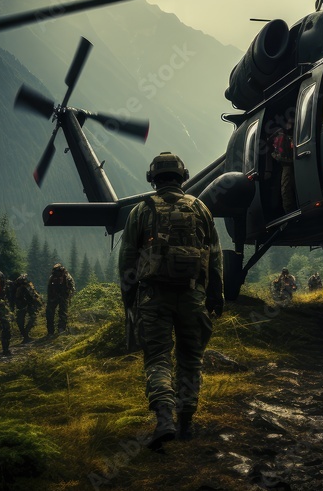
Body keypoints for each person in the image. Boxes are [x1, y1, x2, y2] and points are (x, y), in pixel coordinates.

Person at [119, 152, 224, 449]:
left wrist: (129, 299)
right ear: (183, 177)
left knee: (157, 358)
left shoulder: (141, 211)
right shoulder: (201, 209)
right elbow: (214, 257)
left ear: (153, 179)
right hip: (193, 296)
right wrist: (216, 296)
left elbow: (127, 259)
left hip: (153, 297)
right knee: (191, 359)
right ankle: (187, 421)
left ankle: (164, 419)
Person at [8, 273, 42, 343]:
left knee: (29, 318)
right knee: (25, 319)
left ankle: (25, 334)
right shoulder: (17, 286)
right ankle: (25, 335)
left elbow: (32, 294)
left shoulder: (19, 285)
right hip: (23, 304)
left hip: (26, 303)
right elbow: (33, 294)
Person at [270, 124, 296, 213]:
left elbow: (285, 157)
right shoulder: (285, 137)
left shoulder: (283, 138)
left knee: (286, 190)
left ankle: (290, 212)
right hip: (288, 164)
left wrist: (276, 156)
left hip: (288, 165)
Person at [46, 263, 75, 336]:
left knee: (62, 314)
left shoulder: (67, 277)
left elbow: (72, 288)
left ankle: (61, 330)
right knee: (50, 314)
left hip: (63, 297)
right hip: (54, 297)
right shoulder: (53, 277)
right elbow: (49, 288)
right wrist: (50, 299)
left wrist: (69, 296)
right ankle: (51, 331)